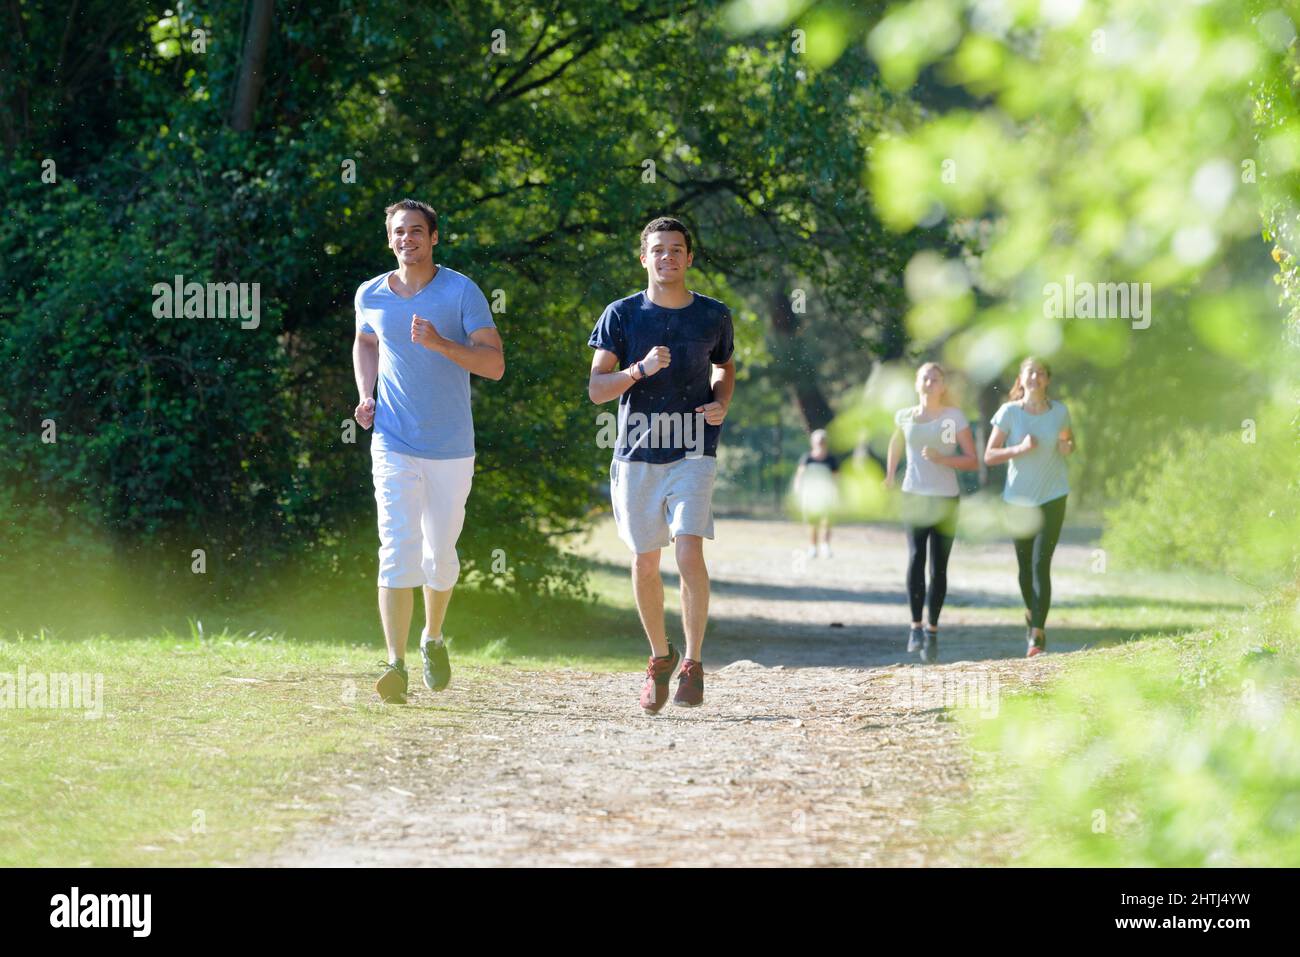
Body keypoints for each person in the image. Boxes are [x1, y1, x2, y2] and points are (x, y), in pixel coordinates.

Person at [352, 199, 505, 703]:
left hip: (451, 447)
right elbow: (365, 341)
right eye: (399, 231)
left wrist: (441, 344)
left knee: (439, 556)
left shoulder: (461, 291)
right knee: (397, 550)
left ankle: (432, 637)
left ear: (433, 237)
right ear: (389, 238)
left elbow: (493, 364)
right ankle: (393, 665)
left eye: (416, 231)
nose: (407, 239)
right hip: (392, 440)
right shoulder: (371, 293)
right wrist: (366, 393)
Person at [587, 217, 736, 713]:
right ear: (644, 258)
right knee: (645, 560)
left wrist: (721, 401)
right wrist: (639, 369)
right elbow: (596, 389)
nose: (668, 257)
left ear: (689, 258)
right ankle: (660, 658)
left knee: (689, 553)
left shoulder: (713, 315)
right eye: (658, 250)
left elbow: (725, 366)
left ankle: (693, 662)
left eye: (677, 250)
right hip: (636, 452)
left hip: (694, 447)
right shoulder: (622, 315)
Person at [885, 362, 978, 663]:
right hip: (914, 495)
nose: (929, 382)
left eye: (935, 378)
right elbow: (896, 443)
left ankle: (933, 631)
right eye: (925, 377)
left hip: (946, 499)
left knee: (938, 567)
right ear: (917, 383)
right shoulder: (904, 416)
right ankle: (915, 627)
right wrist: (889, 475)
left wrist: (942, 459)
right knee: (915, 558)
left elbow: (971, 460)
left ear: (943, 386)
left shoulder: (954, 418)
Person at [984, 357, 1075, 657]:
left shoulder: (1059, 411)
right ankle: (1031, 611)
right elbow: (990, 455)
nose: (1034, 377)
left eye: (1040, 373)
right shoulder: (1009, 412)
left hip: (1053, 496)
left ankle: (1037, 635)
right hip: (1018, 500)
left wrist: (1067, 447)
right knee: (1024, 568)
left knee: (1040, 564)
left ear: (1047, 379)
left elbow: (1067, 442)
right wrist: (1019, 449)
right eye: (1029, 372)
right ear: (1021, 379)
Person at [794, 429, 841, 558]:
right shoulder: (807, 458)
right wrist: (798, 491)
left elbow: (836, 478)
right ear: (812, 442)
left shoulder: (831, 460)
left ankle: (825, 546)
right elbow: (799, 477)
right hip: (810, 495)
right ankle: (813, 548)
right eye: (818, 441)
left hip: (827, 495)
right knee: (812, 523)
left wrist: (837, 493)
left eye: (822, 441)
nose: (820, 443)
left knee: (827, 521)